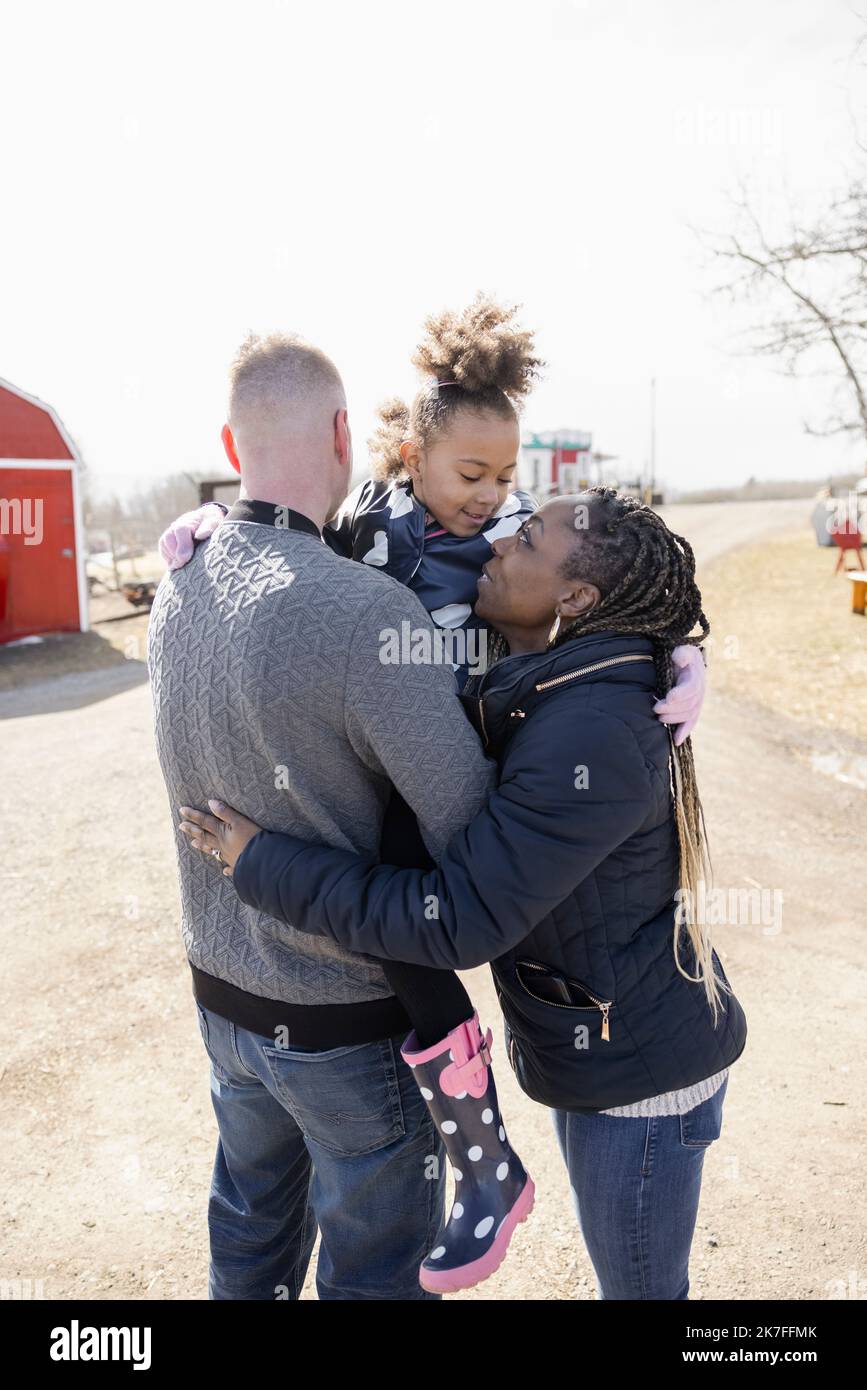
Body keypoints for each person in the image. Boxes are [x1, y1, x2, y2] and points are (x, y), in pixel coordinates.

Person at [159, 299, 705, 1293]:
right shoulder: (363, 535)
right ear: (398, 452)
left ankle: (482, 1147)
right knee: (364, 1235)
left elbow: (607, 581)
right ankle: (486, 1153)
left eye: (507, 481)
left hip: (259, 961)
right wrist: (216, 519)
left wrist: (682, 652)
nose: (494, 506)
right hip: (369, 884)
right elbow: (284, 534)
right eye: (473, 476)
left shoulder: (498, 544)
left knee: (253, 1220)